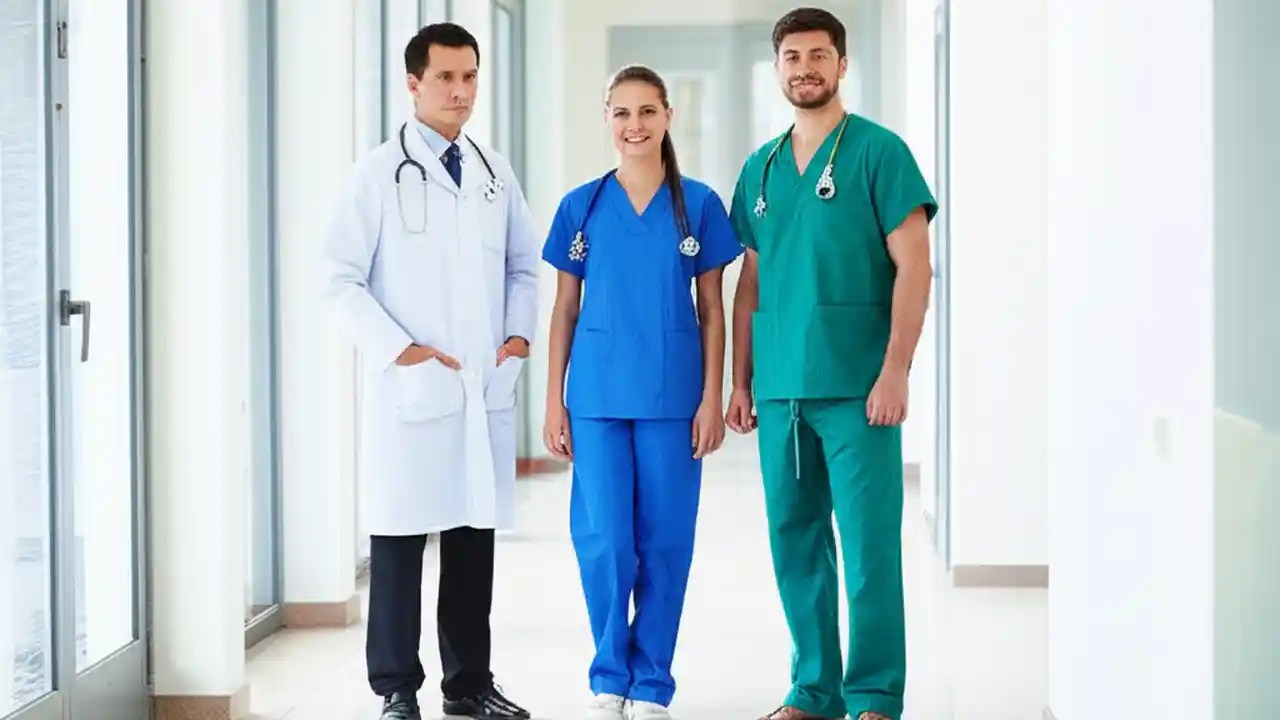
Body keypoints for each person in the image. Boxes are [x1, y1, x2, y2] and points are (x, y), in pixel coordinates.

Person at [725, 8, 937, 720]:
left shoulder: (880, 153)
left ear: (842, 65)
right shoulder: (760, 168)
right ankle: (813, 690)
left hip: (858, 388)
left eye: (819, 55)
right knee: (795, 543)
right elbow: (751, 282)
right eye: (792, 56)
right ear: (777, 68)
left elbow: (915, 268)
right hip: (782, 388)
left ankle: (874, 694)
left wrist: (896, 368)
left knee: (870, 546)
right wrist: (741, 380)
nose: (805, 68)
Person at [324, 22, 536, 720]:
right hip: (412, 391)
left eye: (470, 76)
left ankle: (468, 685)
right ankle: (396, 689)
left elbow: (523, 265)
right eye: (446, 77)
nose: (460, 90)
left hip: (479, 386)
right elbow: (339, 280)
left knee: (473, 543)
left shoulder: (493, 172)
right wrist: (402, 350)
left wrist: (516, 337)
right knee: (399, 544)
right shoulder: (377, 173)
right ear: (413, 83)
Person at [541, 64, 743, 720]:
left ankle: (652, 681)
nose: (635, 125)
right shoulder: (581, 207)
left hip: (672, 398)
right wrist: (553, 400)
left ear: (668, 117)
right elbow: (564, 309)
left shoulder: (699, 205)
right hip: (596, 398)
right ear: (606, 118)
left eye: (647, 111)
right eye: (622, 112)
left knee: (665, 542)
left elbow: (713, 310)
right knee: (604, 541)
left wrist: (711, 397)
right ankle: (610, 674)